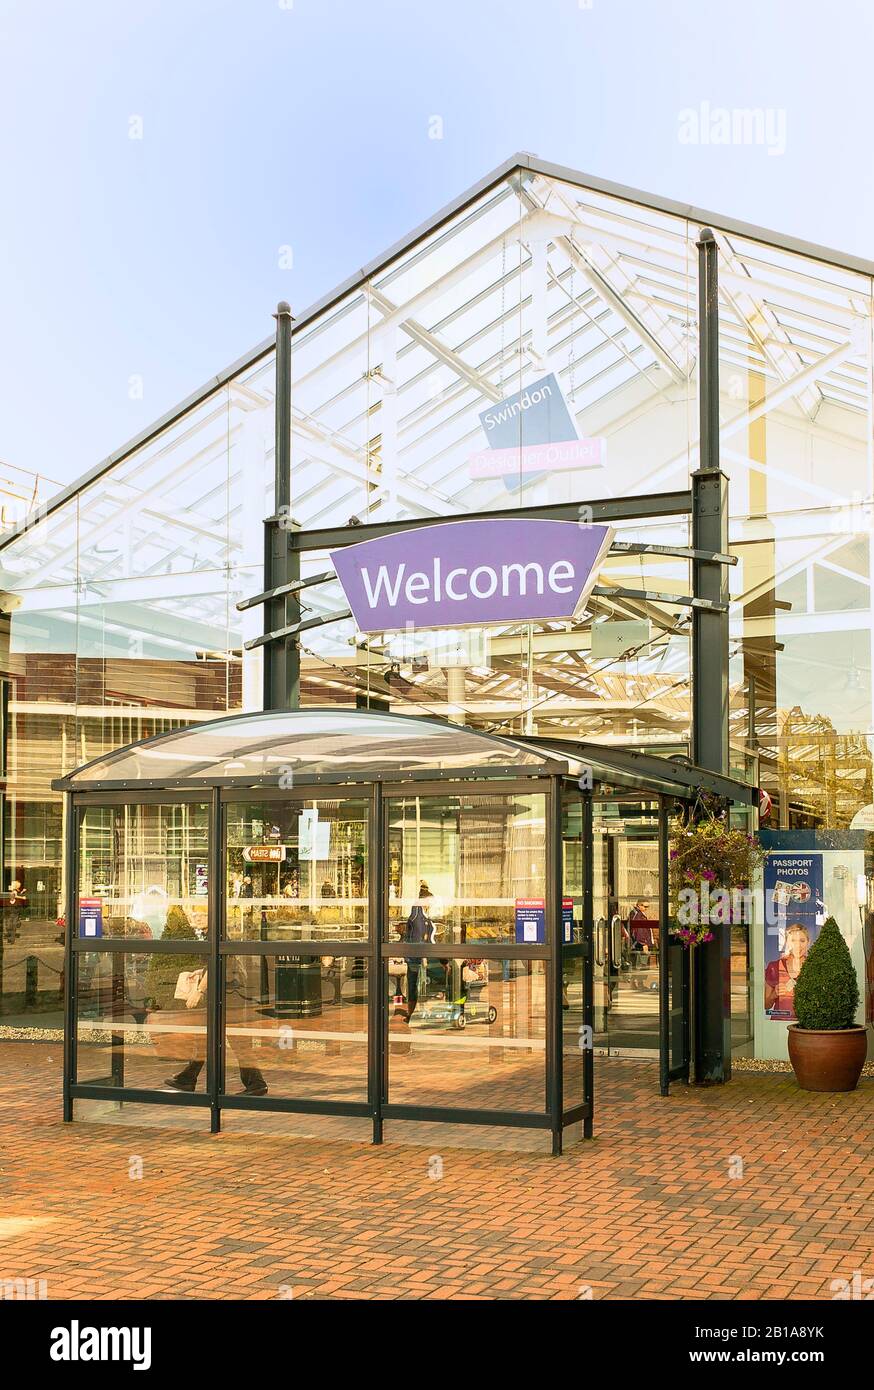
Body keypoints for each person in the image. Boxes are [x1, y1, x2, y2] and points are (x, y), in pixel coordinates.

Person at [164, 961, 268, 1095]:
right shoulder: (227, 947)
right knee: (206, 1040)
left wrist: (199, 991)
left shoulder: (219, 941)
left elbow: (216, 964)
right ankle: (187, 1078)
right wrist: (201, 972)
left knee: (234, 1042)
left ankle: (256, 1083)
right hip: (227, 997)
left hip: (225, 998)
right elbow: (218, 965)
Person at [401, 883, 436, 1019]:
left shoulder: (420, 915)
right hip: (417, 957)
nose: (430, 905)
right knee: (416, 983)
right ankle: (413, 1012)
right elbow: (419, 938)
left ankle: (413, 1012)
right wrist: (424, 956)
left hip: (417, 956)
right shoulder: (418, 916)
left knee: (415, 983)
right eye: (429, 902)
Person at [764, 921, 811, 1018]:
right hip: (779, 1025)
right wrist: (774, 994)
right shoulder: (774, 967)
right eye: (793, 940)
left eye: (802, 941)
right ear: (787, 943)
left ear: (808, 943)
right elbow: (766, 1005)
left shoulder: (814, 967)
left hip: (805, 1028)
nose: (798, 945)